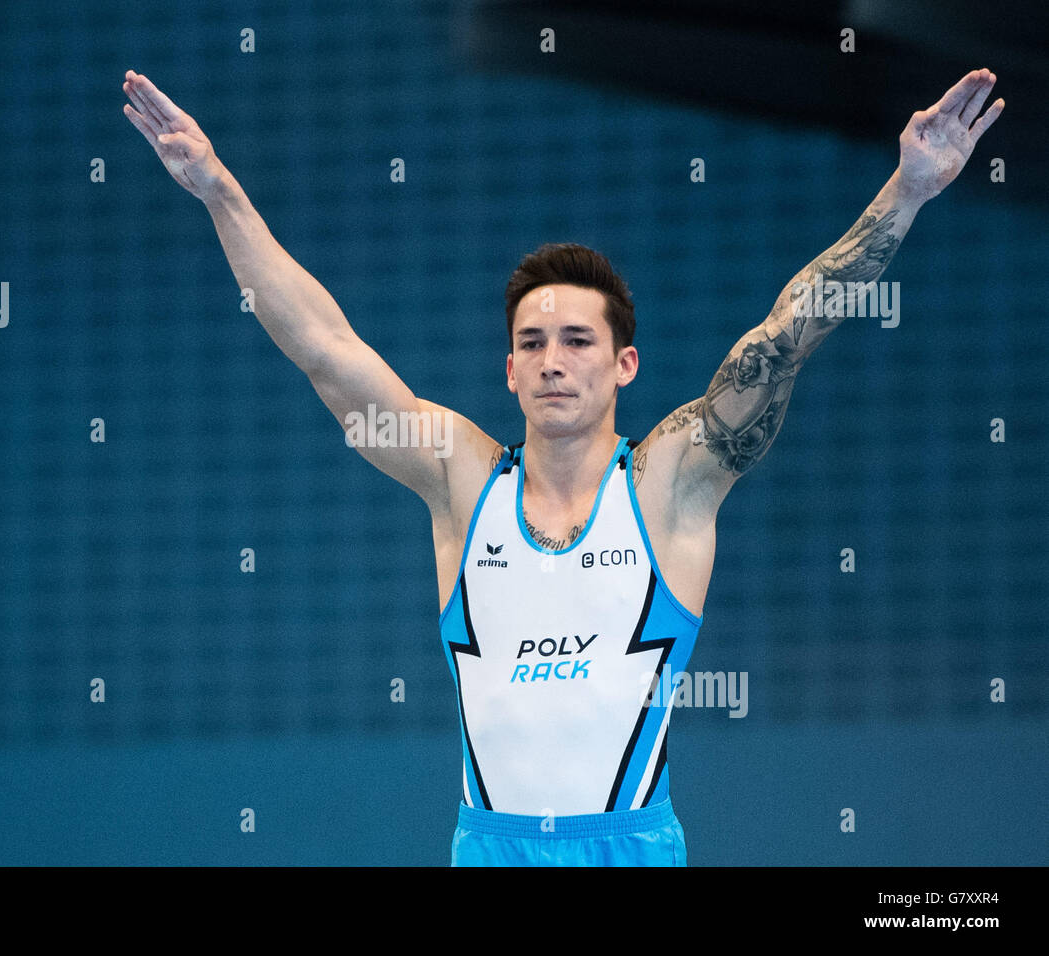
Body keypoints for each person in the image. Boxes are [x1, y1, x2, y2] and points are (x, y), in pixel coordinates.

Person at [122, 67, 1003, 865]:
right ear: (507, 370)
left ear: (624, 364)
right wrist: (218, 190)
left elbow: (782, 341)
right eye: (531, 343)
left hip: (632, 850)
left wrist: (907, 189)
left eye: (578, 340)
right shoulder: (461, 482)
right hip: (490, 850)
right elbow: (325, 348)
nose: (552, 360)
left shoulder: (671, 482)